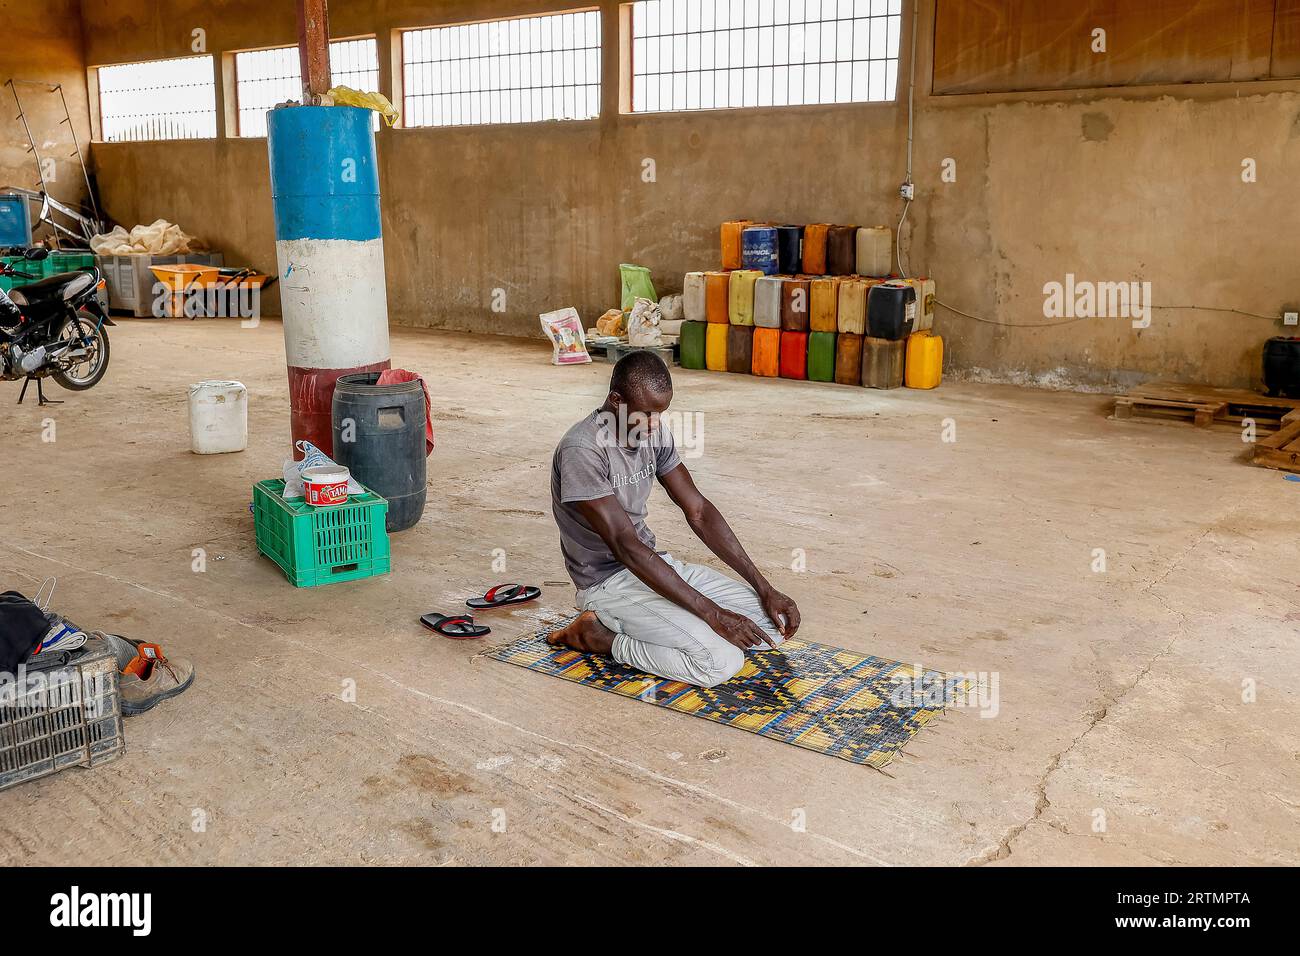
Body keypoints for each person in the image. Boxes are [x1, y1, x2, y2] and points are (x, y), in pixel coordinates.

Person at [548, 350, 801, 687]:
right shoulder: (583, 450)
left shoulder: (652, 432)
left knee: (774, 626)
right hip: (607, 582)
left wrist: (764, 587)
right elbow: (627, 547)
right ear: (616, 400)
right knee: (720, 662)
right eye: (648, 414)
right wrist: (712, 614)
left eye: (661, 413)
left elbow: (698, 511)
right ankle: (599, 637)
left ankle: (670, 623)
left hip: (655, 565)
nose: (656, 424)